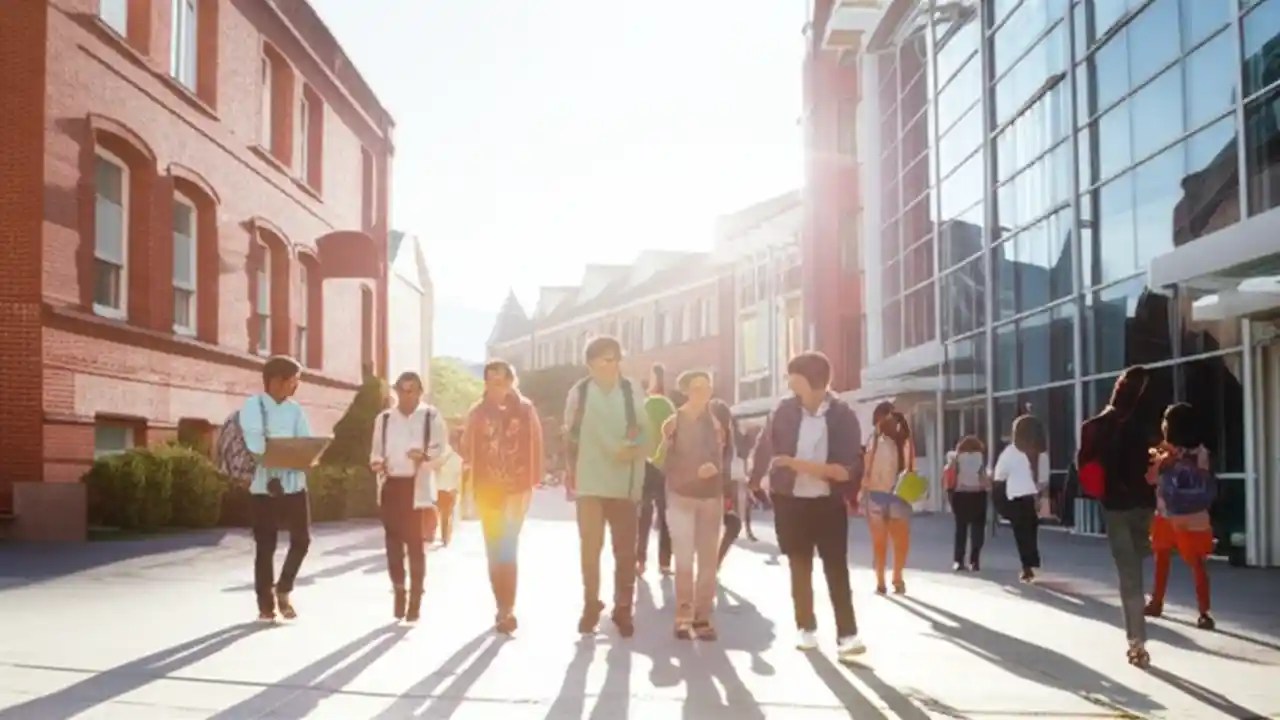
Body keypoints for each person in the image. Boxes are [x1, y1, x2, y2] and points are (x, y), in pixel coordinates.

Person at [749, 351, 865, 660]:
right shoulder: (783, 411)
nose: (789, 383)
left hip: (828, 503)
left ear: (810, 381)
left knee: (836, 568)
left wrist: (793, 463)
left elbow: (844, 470)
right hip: (790, 502)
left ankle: (847, 635)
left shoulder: (843, 415)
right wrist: (754, 479)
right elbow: (765, 445)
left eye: (793, 377)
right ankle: (807, 628)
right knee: (799, 566)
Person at [563, 336, 650, 637]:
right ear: (590, 364)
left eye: (615, 358)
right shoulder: (580, 392)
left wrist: (633, 447)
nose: (611, 365)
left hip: (624, 481)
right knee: (590, 549)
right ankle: (590, 604)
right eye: (604, 360)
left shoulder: (630, 390)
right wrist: (569, 470)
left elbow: (645, 429)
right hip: (588, 482)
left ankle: (623, 608)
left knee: (625, 551)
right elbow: (569, 433)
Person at [1078, 365, 1157, 668]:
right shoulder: (1145, 426)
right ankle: (1137, 637)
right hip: (1143, 505)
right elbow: (1152, 465)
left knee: (1129, 574)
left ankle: (1136, 642)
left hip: (1114, 507)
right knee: (1138, 563)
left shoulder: (1095, 427)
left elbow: (1084, 465)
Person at [462, 360, 543, 635]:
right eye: (489, 382)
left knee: (508, 546)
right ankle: (501, 605)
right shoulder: (477, 412)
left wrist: (532, 484)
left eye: (500, 381)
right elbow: (468, 451)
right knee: (494, 549)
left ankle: (507, 608)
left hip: (517, 489)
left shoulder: (525, 409)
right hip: (488, 490)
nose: (494, 387)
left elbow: (536, 446)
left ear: (510, 382)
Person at [369, 371, 450, 622]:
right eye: (401, 390)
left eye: (411, 390)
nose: (406, 395)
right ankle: (399, 590)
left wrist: (424, 456)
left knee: (415, 544)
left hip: (417, 486)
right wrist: (377, 463)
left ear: (419, 392)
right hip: (392, 484)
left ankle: (416, 598)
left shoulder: (430, 416)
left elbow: (442, 451)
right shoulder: (384, 419)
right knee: (392, 543)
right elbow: (375, 451)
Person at [238, 355, 314, 622]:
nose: (296, 386)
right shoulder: (253, 406)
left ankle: (284, 588)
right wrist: (284, 451)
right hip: (264, 487)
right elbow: (256, 446)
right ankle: (265, 605)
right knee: (266, 546)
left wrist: (310, 456)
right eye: (294, 381)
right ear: (277, 381)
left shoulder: (296, 410)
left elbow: (304, 441)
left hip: (294, 484)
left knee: (302, 541)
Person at [660, 371, 726, 640]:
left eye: (707, 387)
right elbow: (664, 462)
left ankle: (703, 617)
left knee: (708, 559)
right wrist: (693, 473)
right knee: (684, 558)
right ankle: (683, 616)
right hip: (681, 496)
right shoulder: (673, 423)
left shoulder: (716, 421)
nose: (703, 392)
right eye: (697, 388)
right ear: (686, 390)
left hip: (711, 496)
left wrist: (716, 469)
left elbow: (723, 456)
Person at [1145, 402, 1216, 631]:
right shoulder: (1201, 452)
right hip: (1194, 516)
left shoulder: (1164, 453)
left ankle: (1156, 603)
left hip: (1167, 514)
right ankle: (1204, 612)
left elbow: (1150, 479)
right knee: (1197, 564)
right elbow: (1204, 480)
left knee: (1162, 560)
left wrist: (1165, 462)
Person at [860, 403, 914, 595]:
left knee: (879, 543)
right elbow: (911, 470)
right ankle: (897, 579)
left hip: (875, 496)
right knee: (900, 543)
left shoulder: (874, 441)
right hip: (899, 496)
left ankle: (881, 583)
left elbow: (866, 469)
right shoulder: (905, 443)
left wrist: (861, 492)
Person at [992, 416, 1048, 582]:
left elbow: (999, 475)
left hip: (1014, 498)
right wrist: (1039, 495)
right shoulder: (1041, 455)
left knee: (1021, 532)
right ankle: (1031, 561)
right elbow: (1043, 480)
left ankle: (1028, 565)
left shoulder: (1010, 453)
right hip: (1031, 499)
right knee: (1030, 531)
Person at [637, 363, 676, 576]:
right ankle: (664, 562)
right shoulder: (669, 406)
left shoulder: (643, 405)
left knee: (643, 513)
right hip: (665, 466)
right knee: (665, 514)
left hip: (645, 464)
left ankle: (640, 560)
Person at [945, 436, 990, 571]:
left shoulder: (956, 457)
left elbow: (950, 475)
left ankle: (959, 560)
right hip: (978, 495)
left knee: (961, 530)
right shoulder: (980, 458)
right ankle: (974, 560)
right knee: (978, 529)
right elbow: (983, 478)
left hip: (961, 495)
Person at [710, 398, 744, 566]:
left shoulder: (729, 444)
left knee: (734, 524)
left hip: (721, 494)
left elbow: (730, 474)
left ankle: (715, 563)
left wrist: (729, 499)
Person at [435, 425, 465, 547]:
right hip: (451, 488)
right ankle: (445, 536)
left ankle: (441, 534)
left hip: (437, 487)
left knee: (440, 512)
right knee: (447, 514)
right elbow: (459, 475)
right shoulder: (457, 458)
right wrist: (457, 489)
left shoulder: (436, 455)